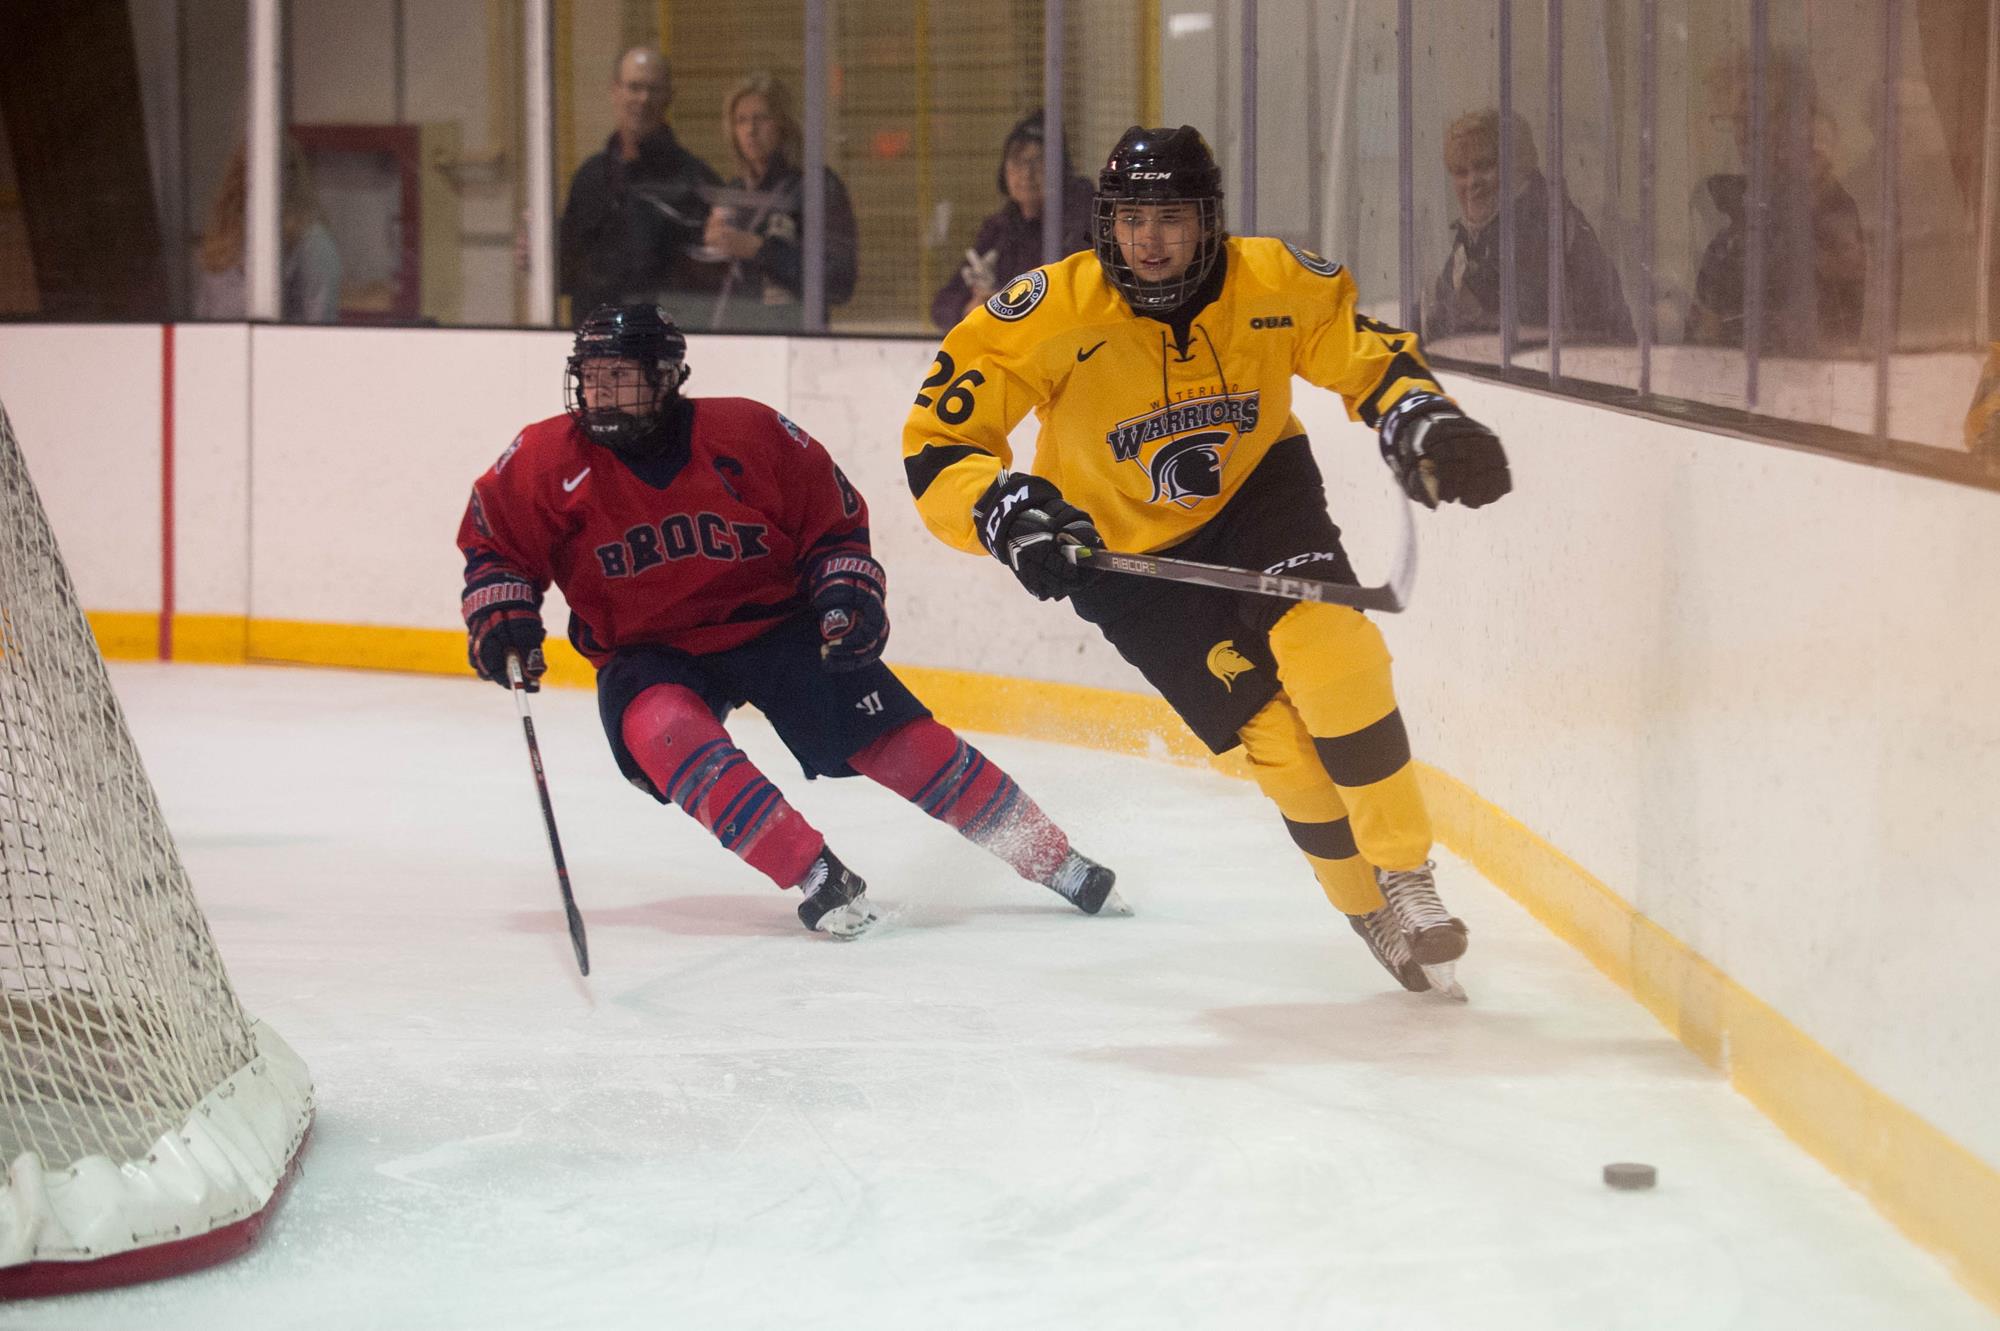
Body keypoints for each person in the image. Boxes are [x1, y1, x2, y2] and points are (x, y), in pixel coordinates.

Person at [899, 127, 1512, 995]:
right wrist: (1002, 511)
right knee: (1280, 741)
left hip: (1259, 497)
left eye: (1172, 219)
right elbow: (939, 444)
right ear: (1106, 224)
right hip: (1119, 553)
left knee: (1333, 651)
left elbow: (1363, 355)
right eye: (1132, 220)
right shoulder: (1051, 310)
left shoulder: (1272, 282)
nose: (1150, 241)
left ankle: (1406, 874)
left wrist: (1419, 414)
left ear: (1208, 221)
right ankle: (1366, 905)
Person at [458, 304, 1122, 938]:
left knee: (901, 742)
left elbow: (832, 525)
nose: (600, 393)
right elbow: (496, 546)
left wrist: (845, 592)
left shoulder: (747, 434)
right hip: (647, 650)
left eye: (619, 377)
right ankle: (817, 873)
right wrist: (502, 610)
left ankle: (1054, 858)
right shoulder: (544, 459)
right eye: (590, 376)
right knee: (664, 730)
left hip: (776, 625)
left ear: (664, 378)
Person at [1687, 50, 1865, 353]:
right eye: (1736, 119)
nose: (1743, 133)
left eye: (1756, 117)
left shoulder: (1828, 214)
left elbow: (1823, 341)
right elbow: (1701, 339)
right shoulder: (1730, 210)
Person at [1425, 109, 1633, 345]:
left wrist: (1472, 313)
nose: (1472, 182)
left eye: (1485, 166)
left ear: (1517, 166)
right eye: (1461, 172)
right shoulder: (1475, 233)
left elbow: (1535, 328)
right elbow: (1440, 316)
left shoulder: (1545, 228)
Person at [556, 47, 722, 327]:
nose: (643, 99)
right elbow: (567, 274)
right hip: (596, 342)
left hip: (663, 342)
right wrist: (539, 255)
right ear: (615, 91)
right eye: (634, 87)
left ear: (669, 97)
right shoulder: (590, 178)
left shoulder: (696, 181)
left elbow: (714, 288)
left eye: (653, 89)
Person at [701, 72, 858, 330]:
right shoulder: (733, 193)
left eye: (761, 119)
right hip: (734, 336)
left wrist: (761, 250)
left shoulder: (815, 186)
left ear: (783, 123)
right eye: (741, 121)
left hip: (794, 337)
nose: (750, 131)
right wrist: (710, 249)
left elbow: (839, 281)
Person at [929, 109, 1094, 332]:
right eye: (1017, 162)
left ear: (1060, 168)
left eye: (1038, 162)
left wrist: (1008, 307)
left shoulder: (1080, 226)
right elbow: (942, 306)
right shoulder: (999, 229)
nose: (1026, 173)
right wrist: (970, 308)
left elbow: (1075, 302)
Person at [195, 138, 342, 322]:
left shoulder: (312, 244)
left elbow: (321, 328)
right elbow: (202, 322)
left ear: (292, 176)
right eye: (251, 169)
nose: (263, 181)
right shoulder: (222, 241)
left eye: (277, 171)